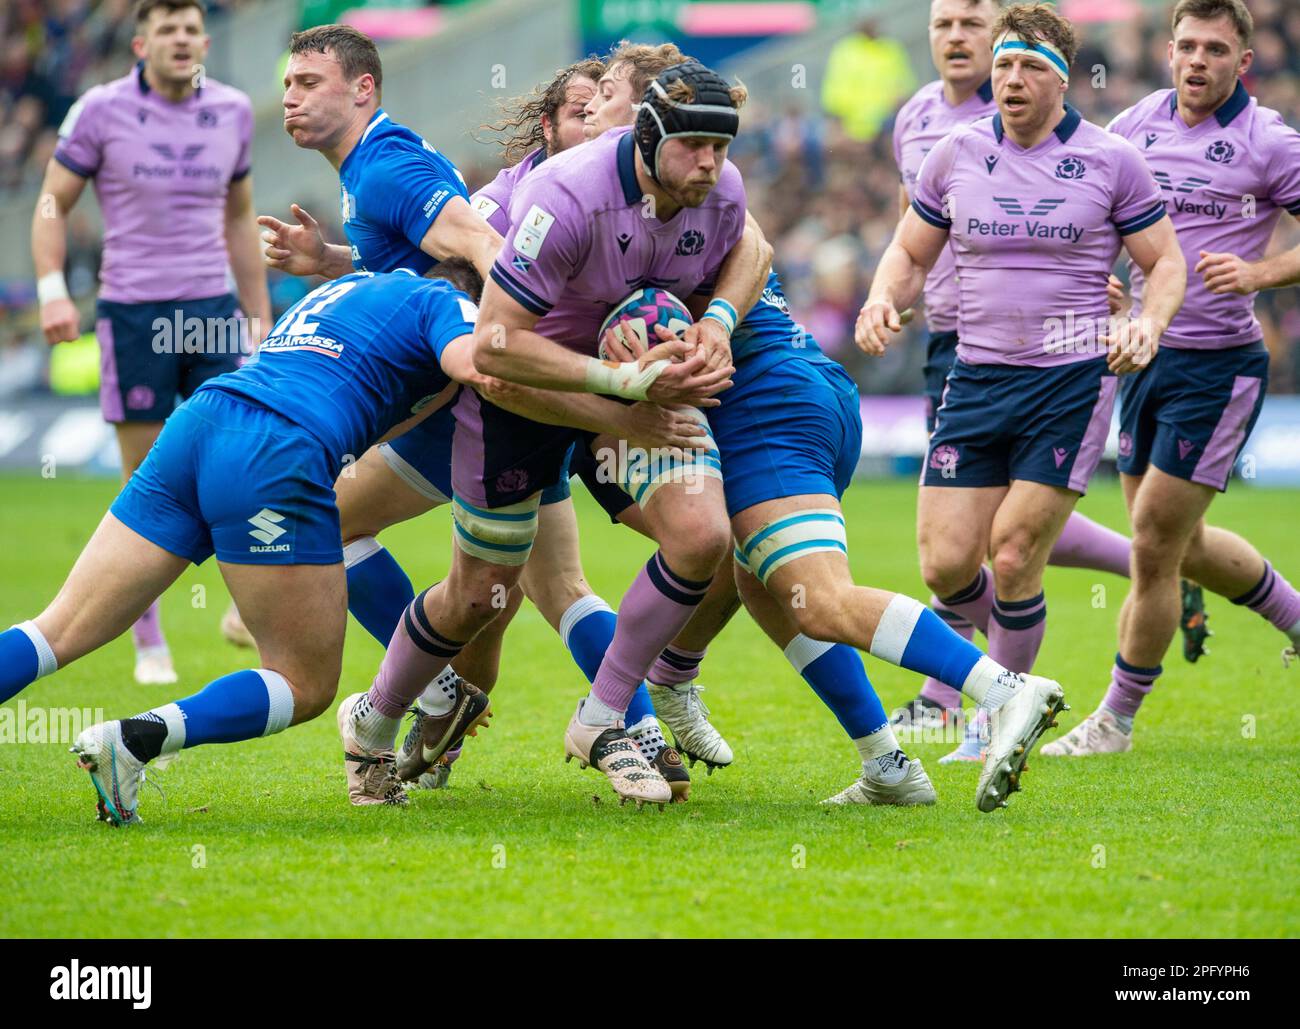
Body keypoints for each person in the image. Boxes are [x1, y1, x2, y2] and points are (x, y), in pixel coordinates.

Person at [338, 60, 761, 807]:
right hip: (523, 395)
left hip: (630, 388)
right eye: (696, 146)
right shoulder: (561, 196)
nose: (710, 165)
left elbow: (744, 257)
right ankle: (371, 721)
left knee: (703, 537)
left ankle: (603, 719)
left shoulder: (716, 186)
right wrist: (617, 387)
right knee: (479, 598)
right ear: (648, 133)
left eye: (721, 149)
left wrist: (714, 326)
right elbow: (497, 347)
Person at [887, 0, 1143, 763]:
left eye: (1028, 64)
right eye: (1005, 62)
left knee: (1015, 545)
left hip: (1068, 368)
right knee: (946, 559)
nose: (1009, 76)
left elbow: (1155, 258)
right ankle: (1012, 663)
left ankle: (984, 709)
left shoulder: (1104, 155)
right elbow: (911, 242)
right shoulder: (924, 129)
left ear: (1062, 79)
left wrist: (1128, 310)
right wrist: (883, 297)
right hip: (962, 353)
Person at [1044, 0, 1300, 756]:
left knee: (1154, 541)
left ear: (1243, 62)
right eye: (1187, 45)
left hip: (1218, 366)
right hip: (1142, 357)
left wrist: (1259, 270)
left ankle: (1114, 721)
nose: (1198, 61)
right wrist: (1110, 285)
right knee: (1174, 547)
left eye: (1216, 50)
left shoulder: (1270, 142)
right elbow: (1100, 221)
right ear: (1168, 51)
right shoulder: (1134, 128)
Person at [31, 0, 270, 686]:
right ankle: (149, 637)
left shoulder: (230, 110)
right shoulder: (99, 110)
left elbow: (239, 217)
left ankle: (245, 610)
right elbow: (52, 201)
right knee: (146, 482)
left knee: (235, 464)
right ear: (141, 43)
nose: (183, 39)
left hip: (211, 309)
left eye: (193, 28)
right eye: (168, 29)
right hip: (133, 313)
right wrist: (51, 286)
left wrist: (256, 316)